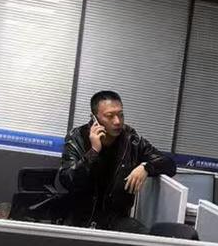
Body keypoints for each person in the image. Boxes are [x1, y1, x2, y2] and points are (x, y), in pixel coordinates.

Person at [56, 90, 176, 229]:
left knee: (144, 235)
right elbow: (68, 180)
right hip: (79, 219)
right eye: (110, 116)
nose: (117, 121)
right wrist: (94, 151)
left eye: (120, 115)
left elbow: (169, 164)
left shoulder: (131, 140)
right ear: (94, 118)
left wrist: (146, 167)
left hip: (115, 220)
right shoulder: (77, 137)